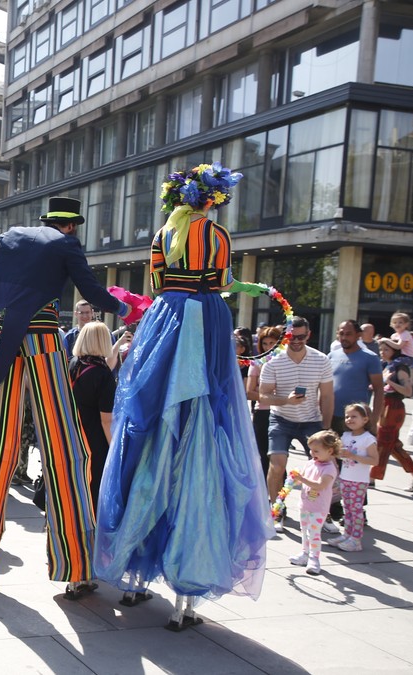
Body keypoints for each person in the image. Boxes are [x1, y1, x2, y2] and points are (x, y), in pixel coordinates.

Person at [93, 164, 273, 626]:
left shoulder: (160, 237)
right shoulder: (216, 236)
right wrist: (249, 287)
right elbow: (221, 283)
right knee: (204, 417)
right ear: (211, 201)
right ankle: (186, 588)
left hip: (167, 318)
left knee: (149, 423)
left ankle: (134, 577)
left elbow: (156, 287)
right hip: (205, 316)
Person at [0, 196, 133, 599]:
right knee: (66, 451)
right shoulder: (66, 245)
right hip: (44, 344)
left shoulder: (13, 235)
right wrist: (126, 309)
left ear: (46, 219)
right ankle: (79, 568)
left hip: (9, 347)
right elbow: (93, 294)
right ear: (72, 226)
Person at [258, 317, 334, 532]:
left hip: (311, 420)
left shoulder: (321, 359)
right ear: (284, 336)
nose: (296, 340)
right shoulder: (273, 360)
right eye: (292, 336)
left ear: (308, 335)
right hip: (281, 418)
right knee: (277, 463)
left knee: (323, 467)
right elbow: (263, 396)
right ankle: (276, 510)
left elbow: (327, 396)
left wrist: (326, 429)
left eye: (301, 336)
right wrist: (285, 400)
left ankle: (323, 513)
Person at [68, 322, 116, 512]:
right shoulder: (102, 375)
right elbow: (107, 420)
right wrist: (114, 449)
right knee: (94, 491)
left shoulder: (73, 363)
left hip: (73, 433)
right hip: (94, 440)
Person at [289, 430, 340, 576]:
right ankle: (304, 554)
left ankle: (314, 559)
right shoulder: (311, 463)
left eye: (316, 450)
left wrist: (302, 479)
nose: (312, 453)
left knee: (314, 533)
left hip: (318, 508)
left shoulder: (329, 468)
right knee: (304, 531)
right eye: (311, 450)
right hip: (305, 504)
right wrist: (294, 479)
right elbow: (301, 479)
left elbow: (320, 485)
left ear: (330, 450)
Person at [369, 337, 413, 487]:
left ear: (395, 351)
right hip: (384, 405)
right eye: (381, 349)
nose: (382, 352)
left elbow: (408, 391)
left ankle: (372, 477)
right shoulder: (387, 365)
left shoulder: (400, 368)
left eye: (386, 349)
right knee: (394, 445)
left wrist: (389, 382)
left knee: (383, 442)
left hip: (394, 407)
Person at [329, 403, 378, 552]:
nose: (349, 419)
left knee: (356, 511)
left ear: (365, 419)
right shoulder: (346, 435)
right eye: (347, 416)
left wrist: (354, 456)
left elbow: (374, 460)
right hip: (345, 477)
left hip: (359, 481)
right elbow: (340, 454)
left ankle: (356, 540)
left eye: (354, 416)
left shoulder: (368, 439)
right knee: (347, 508)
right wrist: (338, 454)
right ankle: (347, 535)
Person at [328, 320, 383, 435]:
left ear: (358, 335)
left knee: (352, 452)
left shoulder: (370, 358)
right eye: (341, 334)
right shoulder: (332, 356)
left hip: (356, 419)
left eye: (348, 334)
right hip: (330, 415)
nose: (344, 337)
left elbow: (379, 390)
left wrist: (374, 419)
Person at [246, 326, 283, 480]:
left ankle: (278, 496)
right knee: (262, 453)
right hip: (262, 412)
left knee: (279, 456)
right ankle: (265, 494)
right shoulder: (257, 363)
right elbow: (249, 392)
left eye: (272, 343)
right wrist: (269, 396)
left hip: (283, 413)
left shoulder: (287, 361)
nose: (269, 347)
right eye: (265, 343)